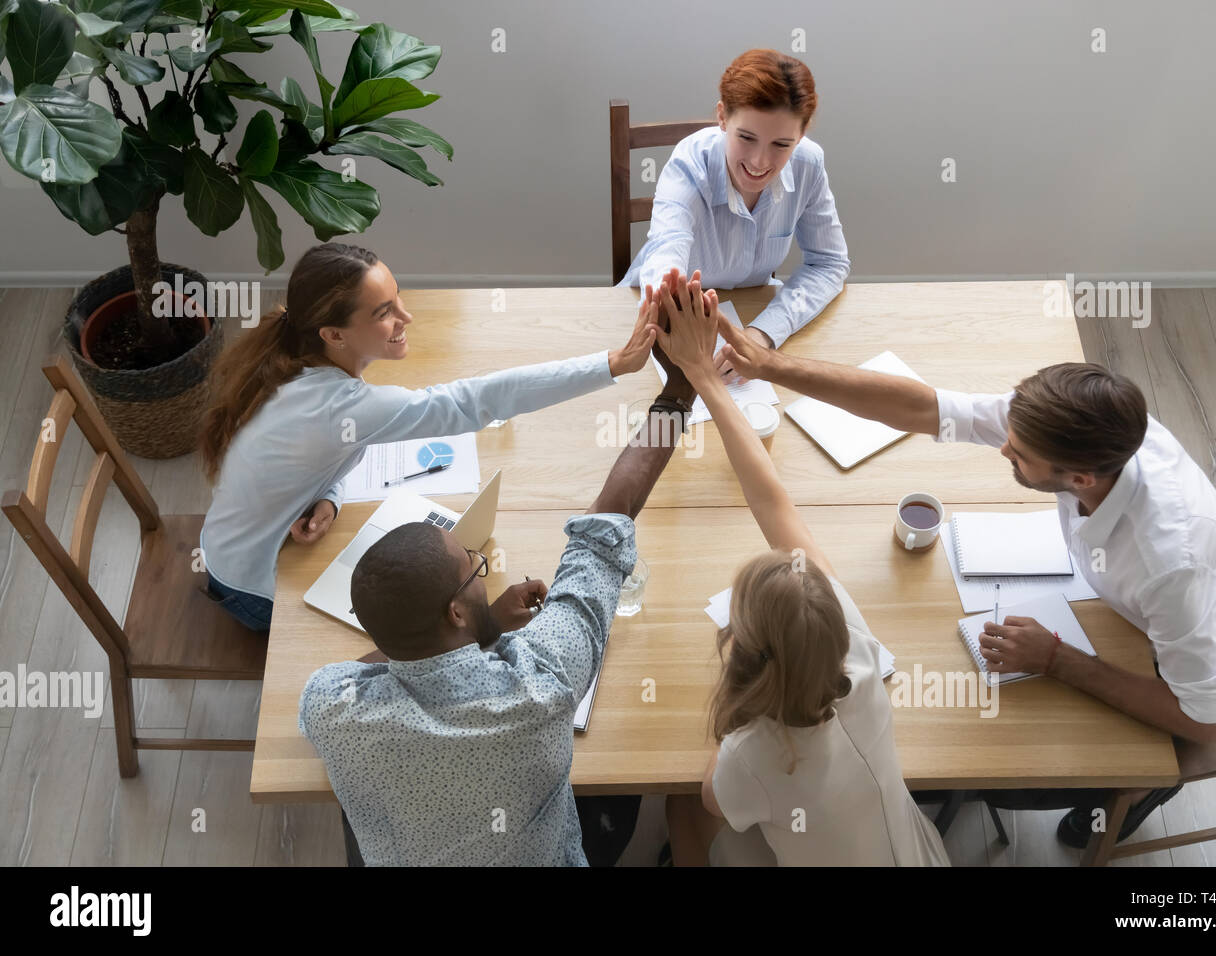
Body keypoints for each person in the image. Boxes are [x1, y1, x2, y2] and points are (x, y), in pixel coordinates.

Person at [714, 327, 1216, 849]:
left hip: (1188, 675)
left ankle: (1144, 787)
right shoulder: (1090, 434)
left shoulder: (1171, 565)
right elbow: (926, 409)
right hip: (1139, 610)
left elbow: (1207, 721)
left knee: (994, 779)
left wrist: (1058, 660)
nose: (1003, 449)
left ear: (1081, 479)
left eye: (1019, 453)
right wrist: (772, 367)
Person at [297, 279, 708, 866]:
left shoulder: (334, 710)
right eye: (475, 570)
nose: (483, 572)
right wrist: (680, 388)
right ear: (457, 610)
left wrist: (484, 626)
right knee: (628, 777)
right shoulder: (540, 682)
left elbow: (359, 671)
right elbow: (610, 517)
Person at [198, 242, 658, 632]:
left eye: (398, 298)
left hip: (249, 543)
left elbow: (312, 454)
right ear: (333, 334)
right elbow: (472, 402)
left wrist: (329, 497)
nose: (407, 317)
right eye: (384, 312)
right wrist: (613, 363)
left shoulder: (294, 358)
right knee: (421, 633)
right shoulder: (340, 405)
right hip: (250, 587)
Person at [654, 271, 949, 866]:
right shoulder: (860, 660)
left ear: (744, 654)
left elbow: (713, 795)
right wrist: (706, 376)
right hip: (919, 856)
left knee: (679, 806)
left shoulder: (751, 758)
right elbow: (774, 502)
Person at [620, 49, 850, 382]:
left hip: (751, 309)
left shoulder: (809, 164)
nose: (759, 162)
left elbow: (829, 264)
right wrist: (668, 320)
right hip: (658, 315)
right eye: (746, 137)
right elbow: (667, 253)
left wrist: (764, 333)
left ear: (801, 136)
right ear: (723, 118)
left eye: (781, 144)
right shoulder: (689, 164)